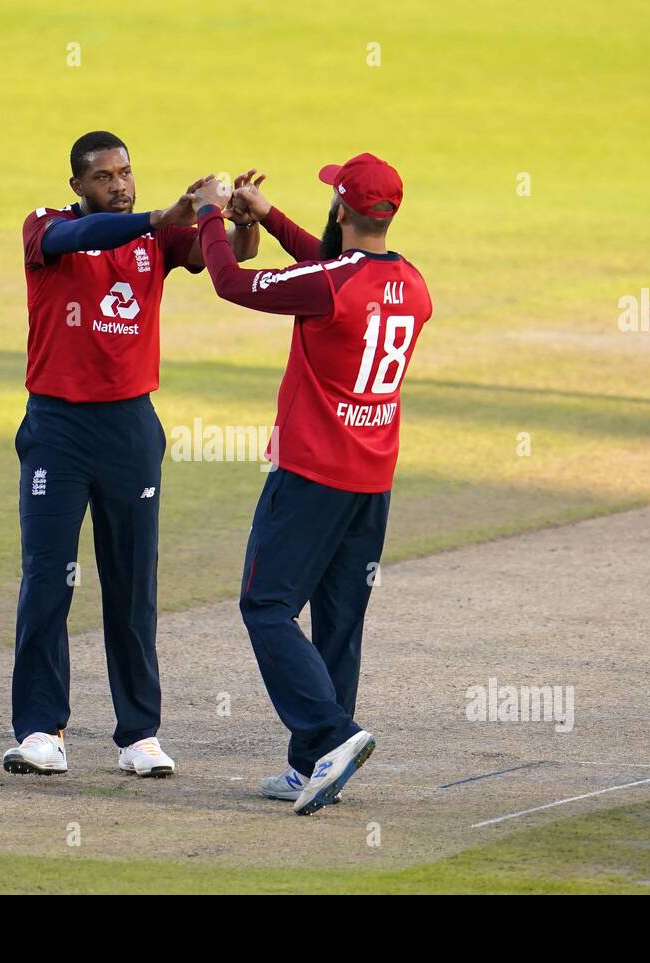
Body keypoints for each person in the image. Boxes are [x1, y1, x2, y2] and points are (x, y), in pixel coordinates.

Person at [3, 131, 259, 778]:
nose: (118, 184)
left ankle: (140, 734)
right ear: (77, 187)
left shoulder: (155, 239)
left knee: (133, 584)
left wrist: (242, 221)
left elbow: (223, 256)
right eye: (102, 177)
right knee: (45, 582)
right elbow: (76, 240)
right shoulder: (46, 226)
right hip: (57, 428)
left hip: (130, 428)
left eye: (125, 172)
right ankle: (40, 730)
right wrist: (158, 217)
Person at [190, 154, 432, 813]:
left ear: (342, 211)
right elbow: (329, 270)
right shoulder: (413, 284)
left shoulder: (330, 284)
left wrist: (212, 214)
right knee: (340, 621)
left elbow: (232, 283)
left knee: (265, 604)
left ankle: (332, 735)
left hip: (311, 476)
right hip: (371, 481)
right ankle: (312, 766)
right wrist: (268, 219)